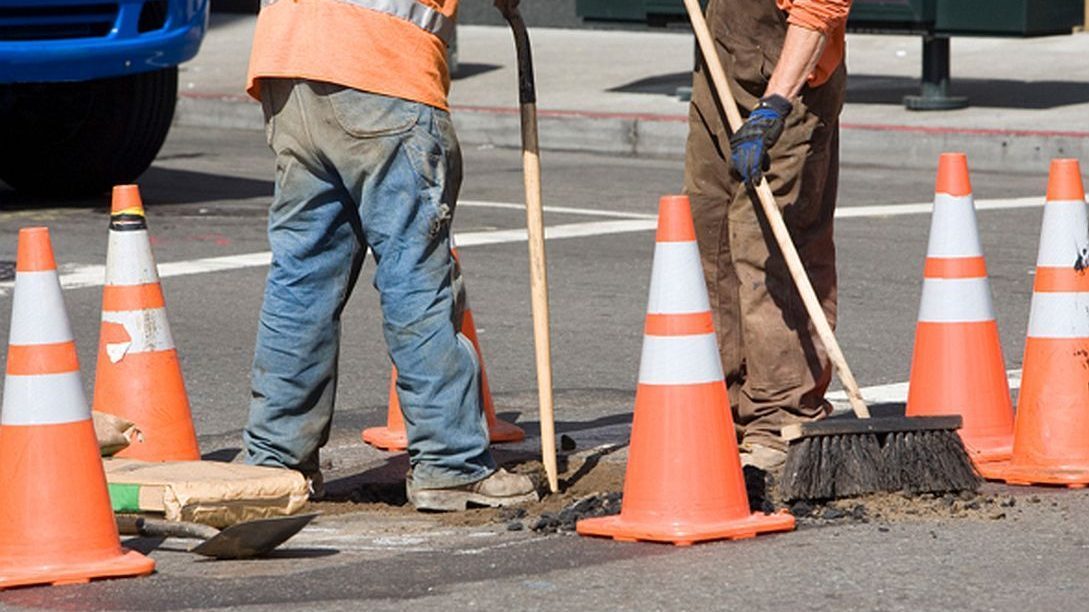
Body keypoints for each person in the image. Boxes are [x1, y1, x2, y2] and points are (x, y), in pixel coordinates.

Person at [241, 0, 537, 511]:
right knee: (416, 274)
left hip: (288, 58)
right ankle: (450, 460)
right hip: (378, 63)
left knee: (303, 274)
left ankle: (276, 458)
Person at [684, 0, 851, 473]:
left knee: (767, 245)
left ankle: (782, 416)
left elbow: (819, 12)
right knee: (710, 232)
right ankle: (724, 403)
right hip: (720, 72)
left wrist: (772, 108)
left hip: (793, 90)